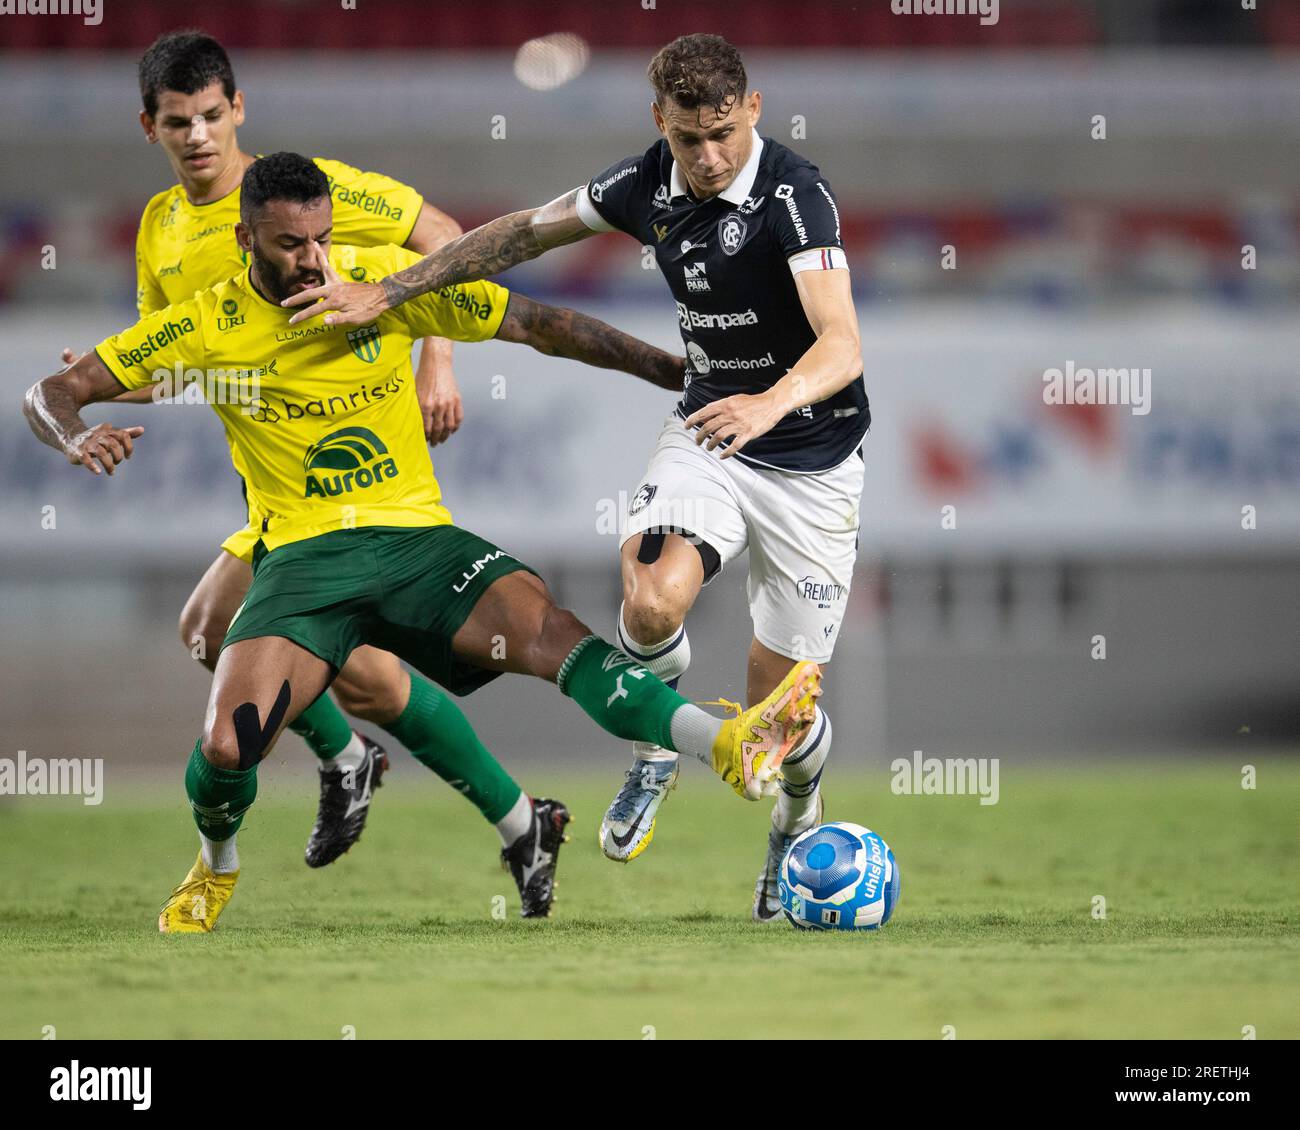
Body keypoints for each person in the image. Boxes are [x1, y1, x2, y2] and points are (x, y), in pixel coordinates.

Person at [23, 152, 822, 932]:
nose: (313, 261)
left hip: (415, 542)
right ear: (244, 242)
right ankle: (216, 865)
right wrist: (74, 436)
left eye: (321, 239)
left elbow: (543, 324)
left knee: (554, 634)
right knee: (229, 744)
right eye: (289, 246)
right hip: (303, 561)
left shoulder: (378, 287)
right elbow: (52, 391)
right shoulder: (206, 322)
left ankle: (723, 744)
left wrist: (673, 373)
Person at [281, 34, 867, 921]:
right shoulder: (644, 184)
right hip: (710, 432)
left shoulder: (796, 195)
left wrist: (768, 403)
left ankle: (796, 821)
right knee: (651, 600)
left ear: (752, 109)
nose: (706, 159)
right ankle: (656, 748)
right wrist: (391, 292)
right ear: (658, 123)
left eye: (721, 135)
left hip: (812, 459)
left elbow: (842, 344)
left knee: (777, 713)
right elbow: (518, 235)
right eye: (686, 139)